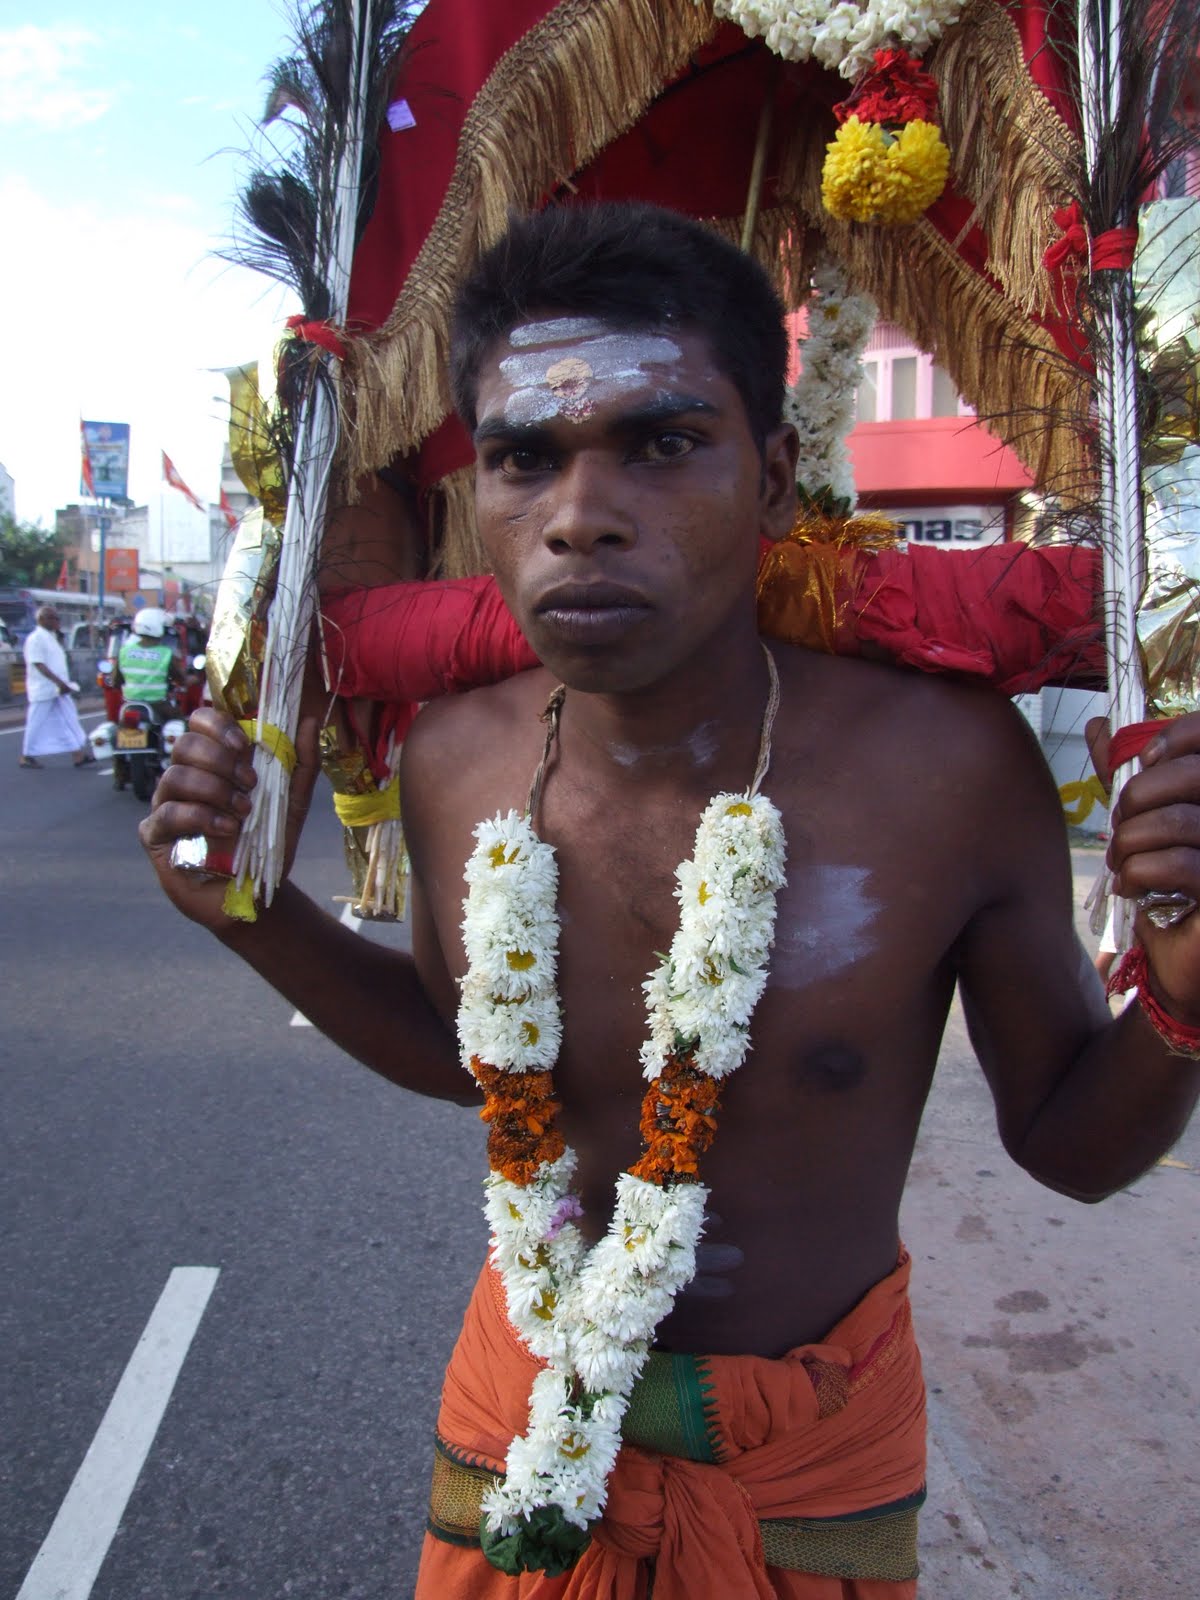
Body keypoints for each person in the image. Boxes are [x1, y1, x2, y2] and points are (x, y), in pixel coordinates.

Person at [141, 204, 1200, 1599]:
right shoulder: (454, 761)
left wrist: (1184, 994)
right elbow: (471, 1051)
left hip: (808, 1468)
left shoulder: (945, 773)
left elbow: (1073, 1143)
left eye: (661, 442)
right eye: (524, 458)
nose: (579, 516)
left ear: (773, 480)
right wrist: (251, 917)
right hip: (518, 1420)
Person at [19, 604, 93, 769]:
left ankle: (78, 755)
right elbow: (38, 664)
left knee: (68, 720)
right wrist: (58, 682)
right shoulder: (35, 638)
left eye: (57, 618)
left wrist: (63, 684)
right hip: (43, 689)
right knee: (36, 723)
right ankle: (26, 755)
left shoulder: (51, 637)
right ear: (41, 619)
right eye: (52, 618)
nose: (56, 621)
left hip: (59, 689)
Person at [112, 607, 183, 716]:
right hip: (158, 706)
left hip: (130, 706)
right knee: (179, 722)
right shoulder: (166, 653)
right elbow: (180, 678)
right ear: (158, 628)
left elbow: (115, 682)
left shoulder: (124, 651)